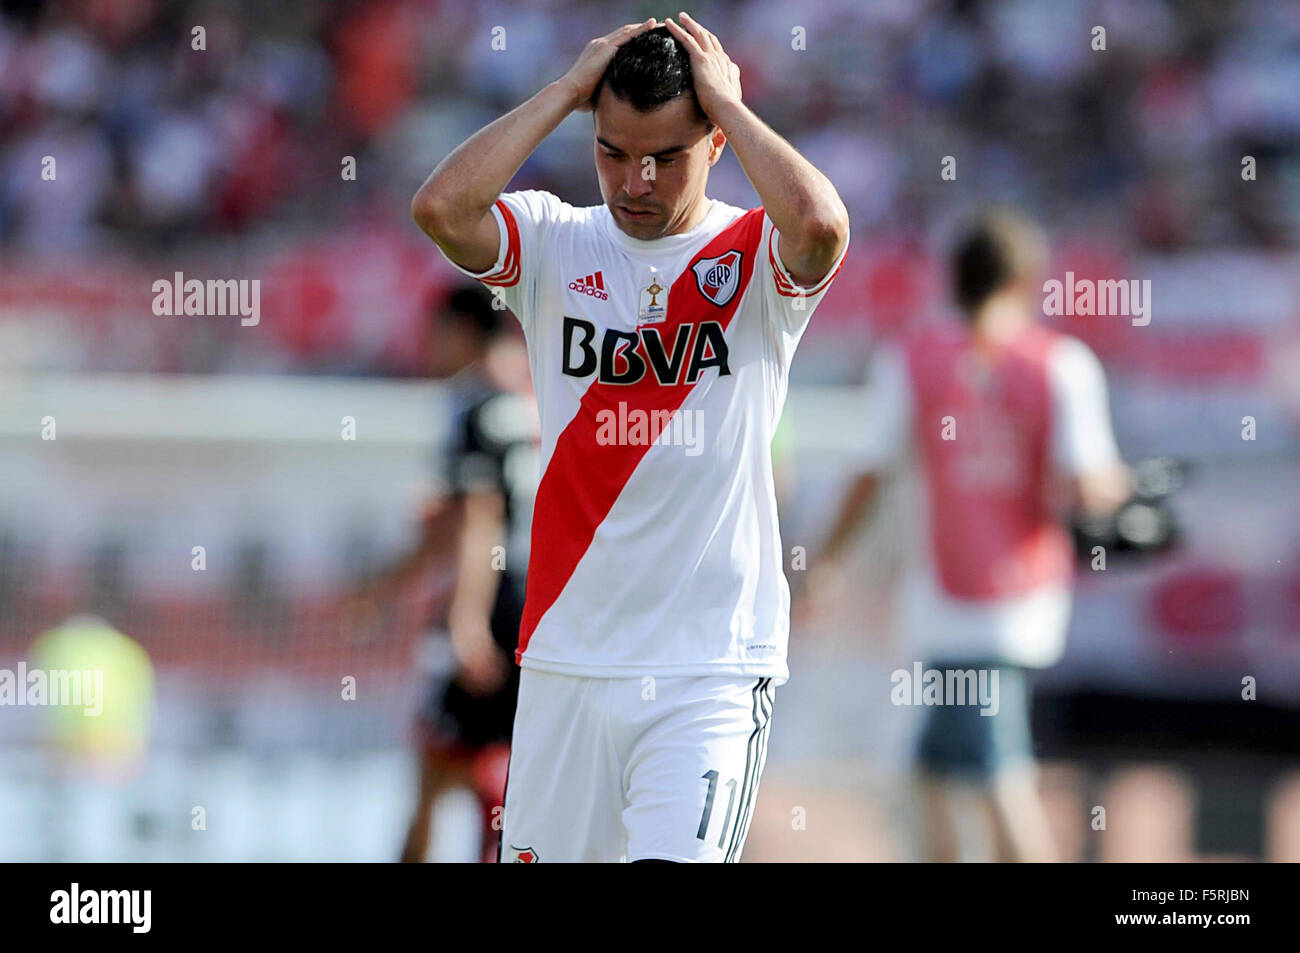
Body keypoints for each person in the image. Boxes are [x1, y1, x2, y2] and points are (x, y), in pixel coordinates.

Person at [410, 15, 849, 862]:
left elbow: (824, 227)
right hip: (566, 659)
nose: (635, 180)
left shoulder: (754, 255)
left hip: (708, 669)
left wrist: (730, 102)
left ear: (716, 143)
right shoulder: (553, 239)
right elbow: (439, 207)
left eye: (666, 155)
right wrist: (565, 93)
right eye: (614, 151)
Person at [808, 211, 1130, 862]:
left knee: (993, 775)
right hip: (1021, 599)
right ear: (1024, 279)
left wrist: (823, 562)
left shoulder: (915, 357)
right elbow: (1092, 486)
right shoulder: (1058, 363)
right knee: (937, 769)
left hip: (948, 603)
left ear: (954, 277)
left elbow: (868, 475)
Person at [351, 284, 538, 863]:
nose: (427, 347)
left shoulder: (472, 404)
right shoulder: (540, 397)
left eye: (434, 333)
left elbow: (477, 519)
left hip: (492, 603)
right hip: (546, 604)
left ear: (461, 333)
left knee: (436, 771)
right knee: (518, 772)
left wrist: (465, 620)